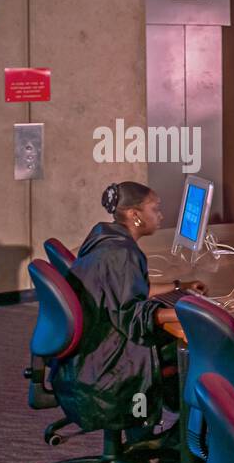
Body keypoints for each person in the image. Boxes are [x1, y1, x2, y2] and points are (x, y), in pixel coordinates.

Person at [51, 181, 204, 433]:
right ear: (135, 215)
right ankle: (180, 444)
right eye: (155, 209)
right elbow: (132, 317)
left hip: (86, 357)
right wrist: (188, 310)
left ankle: (149, 439)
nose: (161, 215)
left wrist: (178, 286)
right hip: (107, 371)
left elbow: (124, 288)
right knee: (195, 349)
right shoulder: (123, 254)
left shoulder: (105, 237)